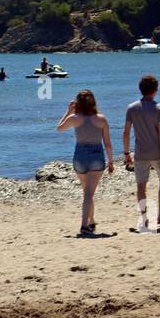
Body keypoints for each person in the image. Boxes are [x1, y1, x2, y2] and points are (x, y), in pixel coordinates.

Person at [57, 90, 115, 237]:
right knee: (89, 193)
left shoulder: (74, 118)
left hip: (80, 157)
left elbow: (59, 128)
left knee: (87, 192)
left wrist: (68, 111)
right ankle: (84, 225)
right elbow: (107, 143)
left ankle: (91, 220)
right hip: (96, 156)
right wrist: (111, 161)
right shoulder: (101, 119)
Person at [124, 75, 160, 231]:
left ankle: (144, 219)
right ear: (155, 90)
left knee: (141, 186)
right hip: (157, 153)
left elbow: (126, 132)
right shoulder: (159, 108)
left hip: (140, 153)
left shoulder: (131, 108)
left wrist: (126, 153)